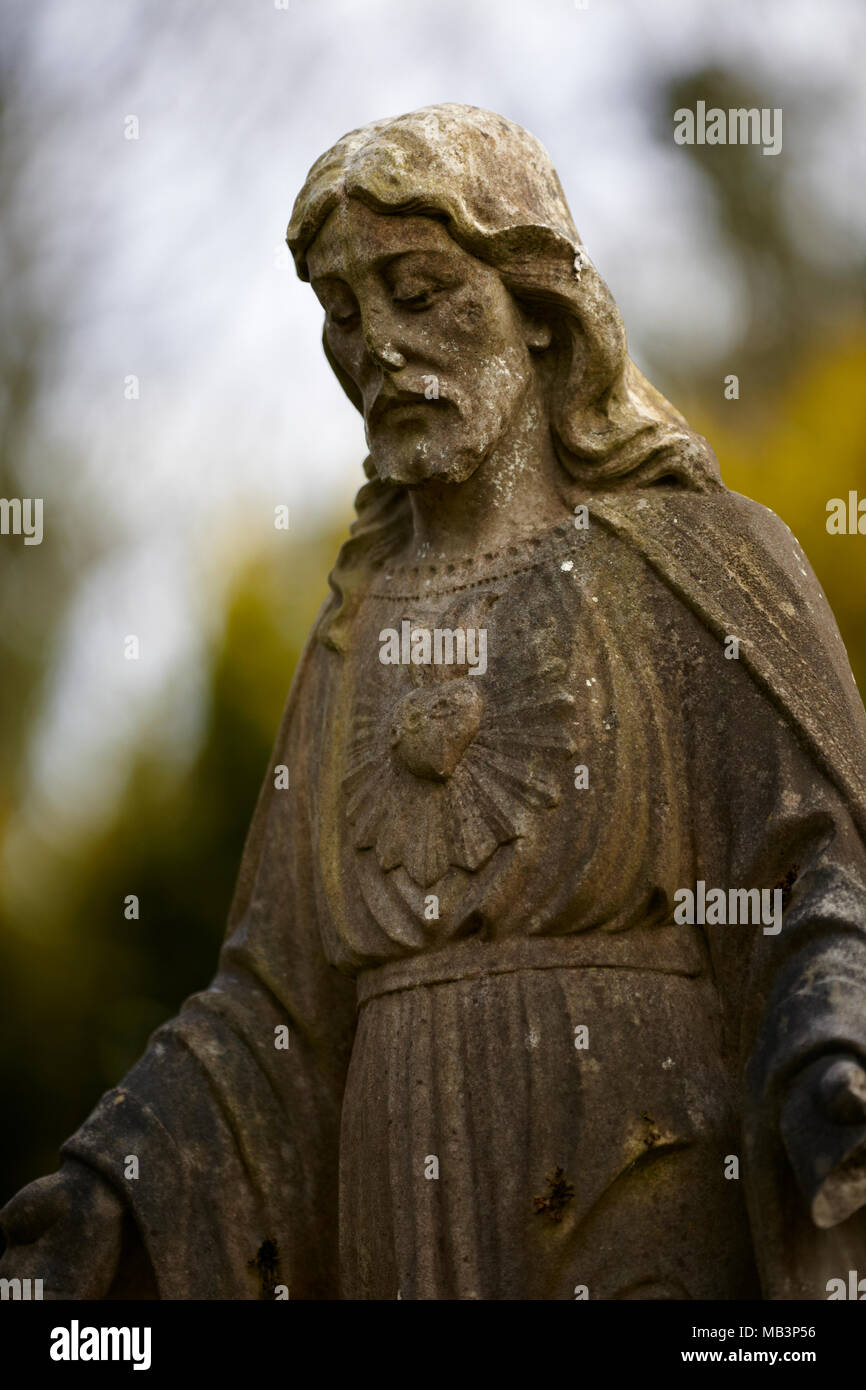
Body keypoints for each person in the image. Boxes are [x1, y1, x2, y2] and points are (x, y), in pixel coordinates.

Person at [3, 103, 866, 1300]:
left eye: (421, 290)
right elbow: (274, 1013)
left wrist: (832, 1041)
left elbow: (820, 873)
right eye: (344, 315)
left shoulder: (698, 565)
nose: (380, 349)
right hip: (397, 1236)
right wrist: (119, 1177)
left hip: (640, 1197)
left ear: (541, 309)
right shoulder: (350, 638)